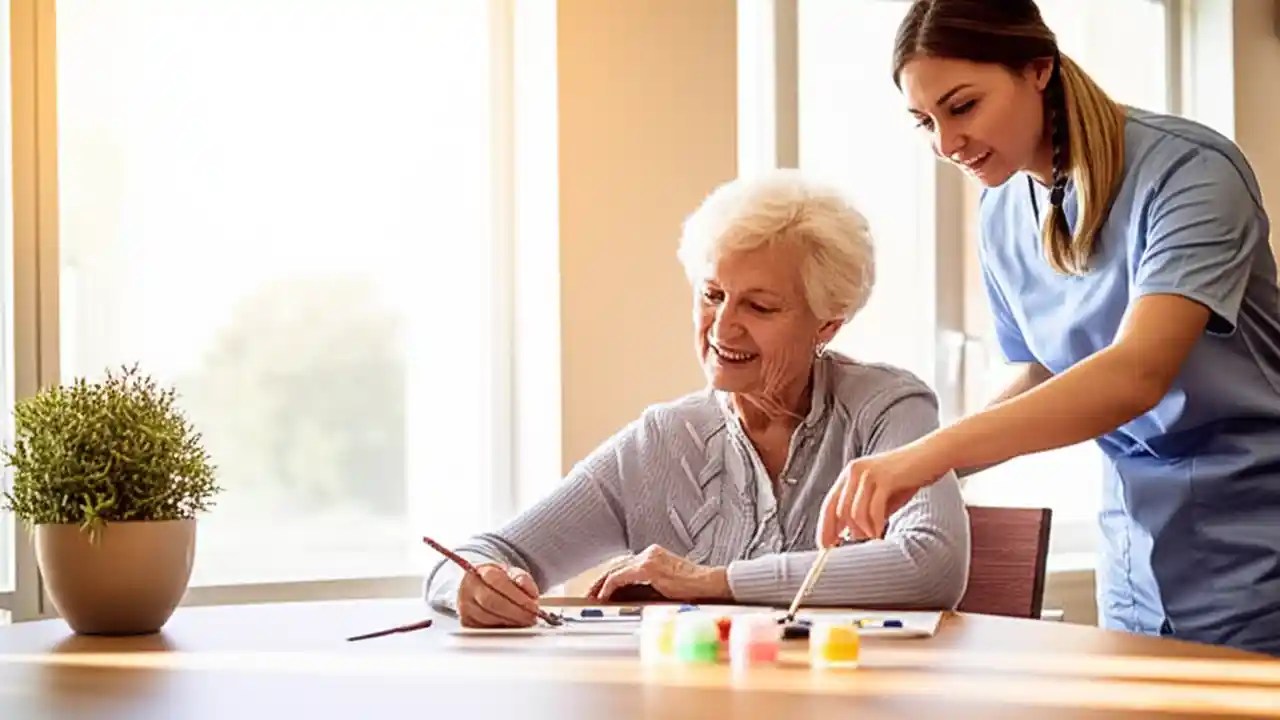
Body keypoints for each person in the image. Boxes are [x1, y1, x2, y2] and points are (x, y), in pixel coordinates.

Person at [817, 0, 1280, 655]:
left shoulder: (1191, 173)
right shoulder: (1002, 209)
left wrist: (926, 457)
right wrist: (925, 471)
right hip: (1133, 561)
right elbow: (1038, 370)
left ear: (1037, 69)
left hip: (1256, 549)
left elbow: (1134, 375)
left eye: (962, 106)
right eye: (924, 121)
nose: (945, 145)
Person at [424, 169, 970, 627]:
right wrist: (473, 587)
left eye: (759, 307)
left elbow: (933, 564)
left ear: (826, 324)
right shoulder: (660, 441)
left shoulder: (886, 409)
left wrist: (712, 582)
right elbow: (484, 556)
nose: (723, 328)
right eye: (712, 295)